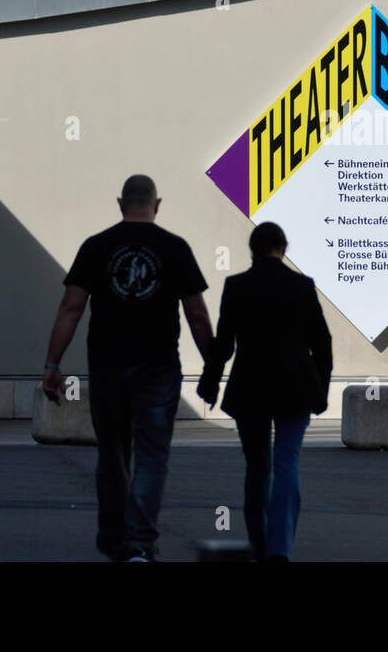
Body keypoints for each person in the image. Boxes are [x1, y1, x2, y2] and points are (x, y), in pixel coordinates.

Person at [42, 174, 214, 562]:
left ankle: (113, 536)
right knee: (153, 454)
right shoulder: (175, 248)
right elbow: (197, 315)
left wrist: (52, 364)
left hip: (107, 366)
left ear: (121, 203)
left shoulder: (96, 246)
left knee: (113, 452)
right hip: (158, 366)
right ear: (157, 204)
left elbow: (70, 308)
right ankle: (139, 542)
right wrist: (213, 367)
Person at [198, 222, 332, 562]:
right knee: (288, 462)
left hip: (250, 386)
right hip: (296, 387)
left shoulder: (236, 286)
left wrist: (210, 383)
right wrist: (321, 389)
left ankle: (258, 542)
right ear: (284, 247)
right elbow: (322, 342)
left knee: (257, 465)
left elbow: (224, 344)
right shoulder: (302, 286)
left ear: (252, 249)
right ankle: (279, 548)